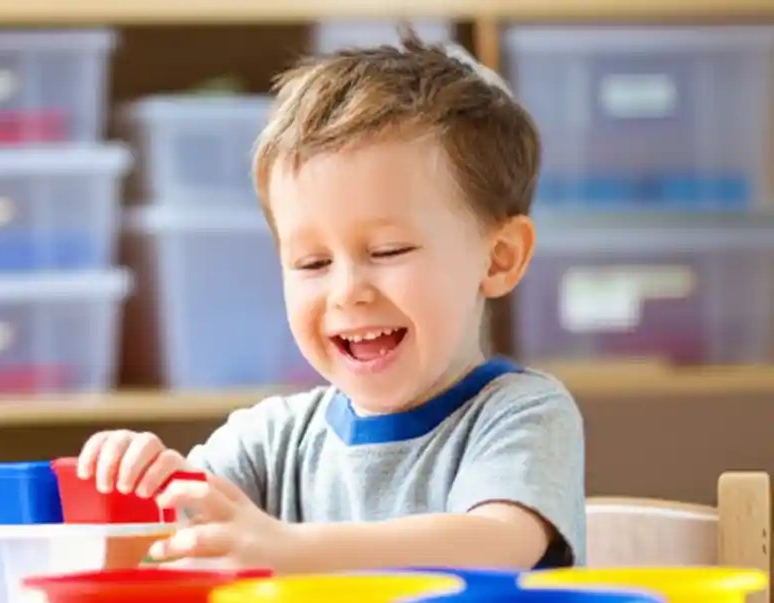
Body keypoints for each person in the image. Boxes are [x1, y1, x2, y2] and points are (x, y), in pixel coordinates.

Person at [78, 28, 586, 573]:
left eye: (389, 250)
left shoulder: (523, 415)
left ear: (499, 258)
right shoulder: (271, 440)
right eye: (313, 264)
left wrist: (287, 549)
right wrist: (140, 483)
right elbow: (168, 549)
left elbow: (497, 544)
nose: (347, 291)